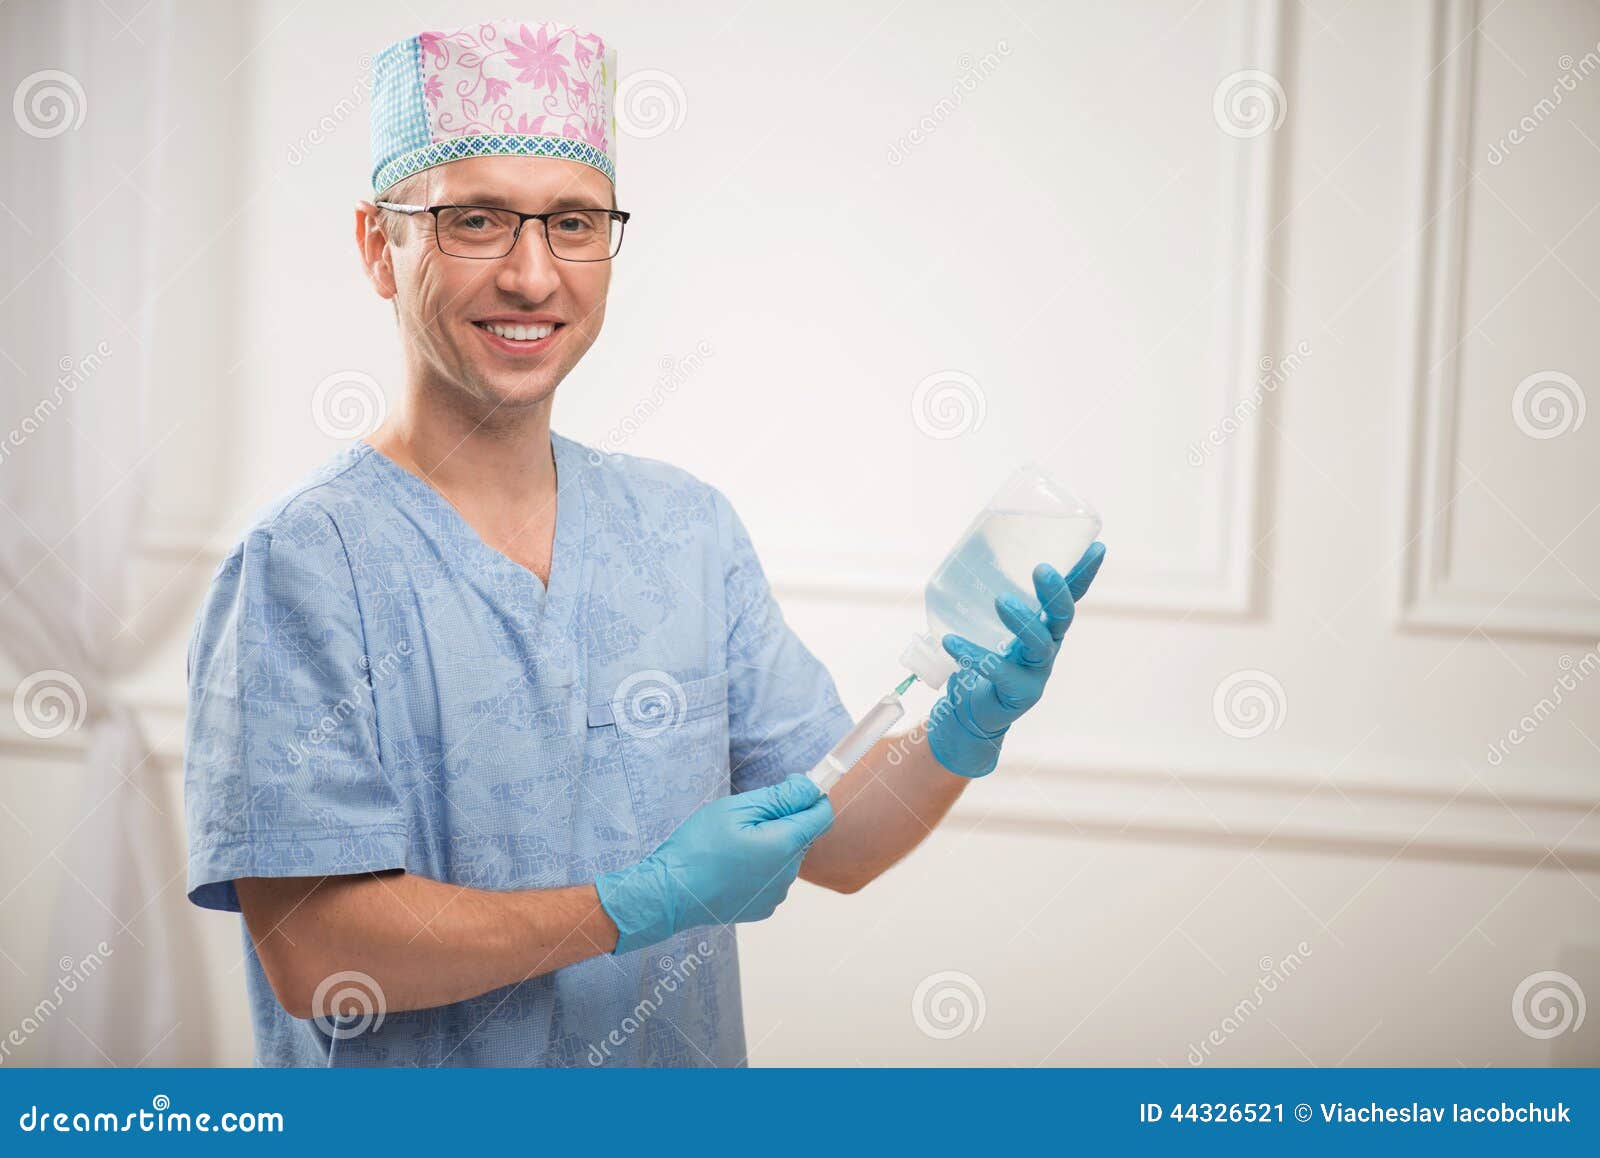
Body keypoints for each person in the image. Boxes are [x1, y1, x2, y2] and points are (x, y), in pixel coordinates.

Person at [182, 17, 1106, 1067]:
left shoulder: (683, 531)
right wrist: (633, 904)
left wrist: (958, 730)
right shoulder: (305, 564)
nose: (533, 277)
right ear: (376, 246)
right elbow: (314, 950)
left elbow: (835, 841)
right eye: (475, 221)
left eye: (574, 224)